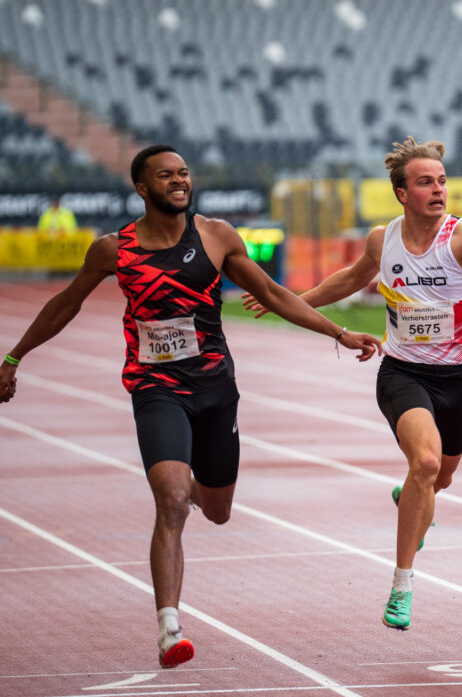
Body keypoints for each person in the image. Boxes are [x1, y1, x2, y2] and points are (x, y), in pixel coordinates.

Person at [0, 144, 381, 668]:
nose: (179, 181)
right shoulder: (113, 250)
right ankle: (168, 628)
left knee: (217, 510)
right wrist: (14, 357)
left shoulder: (217, 236)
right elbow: (66, 303)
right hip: (156, 388)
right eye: (166, 175)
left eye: (183, 173)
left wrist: (339, 331)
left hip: (215, 391)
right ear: (142, 187)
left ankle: (198, 494)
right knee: (173, 500)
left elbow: (272, 292)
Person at [245, 136, 462, 631]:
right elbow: (351, 277)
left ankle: (412, 499)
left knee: (438, 480)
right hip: (402, 373)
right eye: (426, 182)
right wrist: (295, 301)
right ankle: (402, 584)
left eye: (442, 181)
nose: (438, 189)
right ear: (402, 193)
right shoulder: (383, 239)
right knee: (424, 463)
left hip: (457, 381)